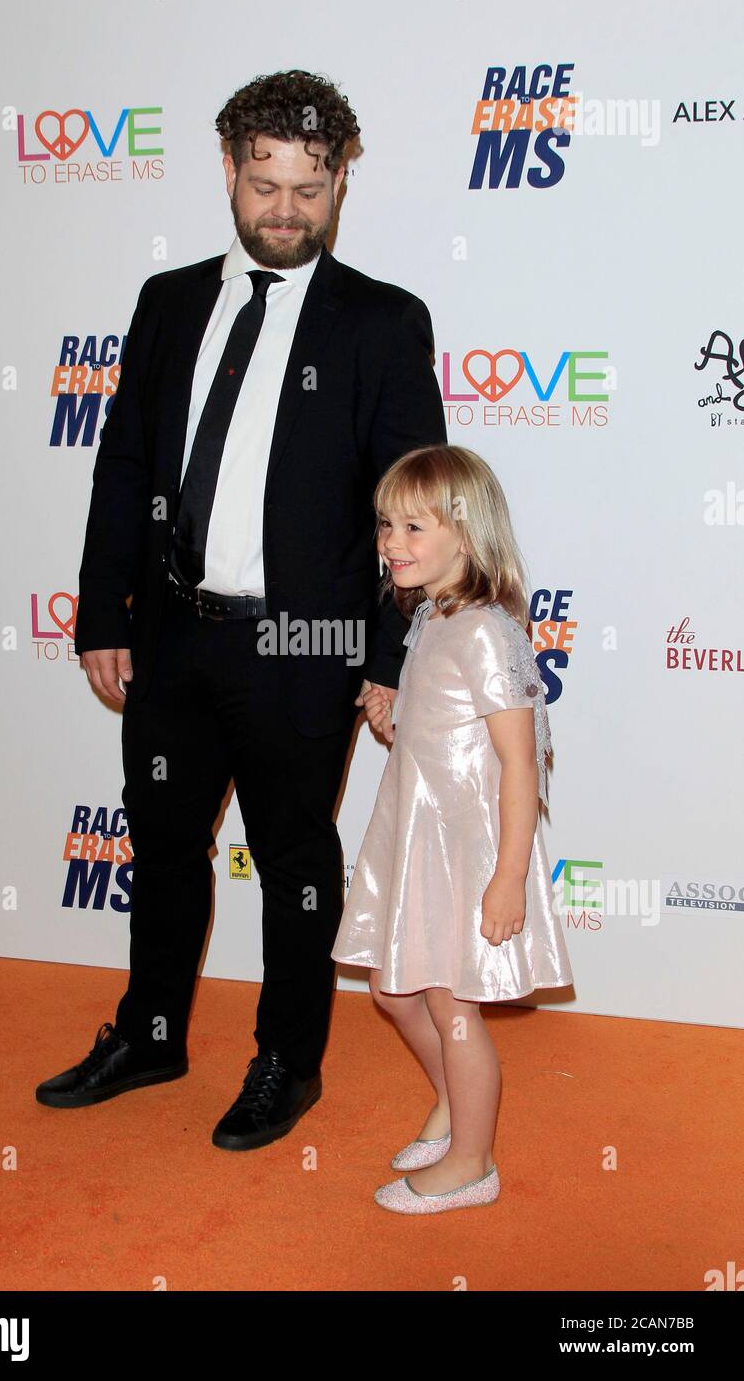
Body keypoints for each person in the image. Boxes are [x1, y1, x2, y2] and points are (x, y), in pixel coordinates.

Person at [35, 69, 447, 1151]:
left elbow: (416, 507)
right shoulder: (168, 303)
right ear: (228, 171)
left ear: (340, 183)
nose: (284, 211)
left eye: (309, 189)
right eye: (265, 183)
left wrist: (388, 654)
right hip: (171, 633)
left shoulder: (380, 322)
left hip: (300, 646)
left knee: (295, 866)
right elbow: (121, 465)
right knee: (163, 847)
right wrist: (101, 613)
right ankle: (154, 1031)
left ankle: (285, 1060)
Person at [331, 443, 574, 1211]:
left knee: (449, 1005)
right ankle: (452, 1106)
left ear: (466, 535)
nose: (390, 544)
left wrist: (507, 878)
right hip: (416, 832)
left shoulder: (485, 631)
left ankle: (473, 1162)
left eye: (412, 528)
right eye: (384, 526)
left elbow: (517, 760)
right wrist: (393, 712)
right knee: (393, 990)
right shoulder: (433, 613)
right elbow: (442, 726)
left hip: (467, 849)